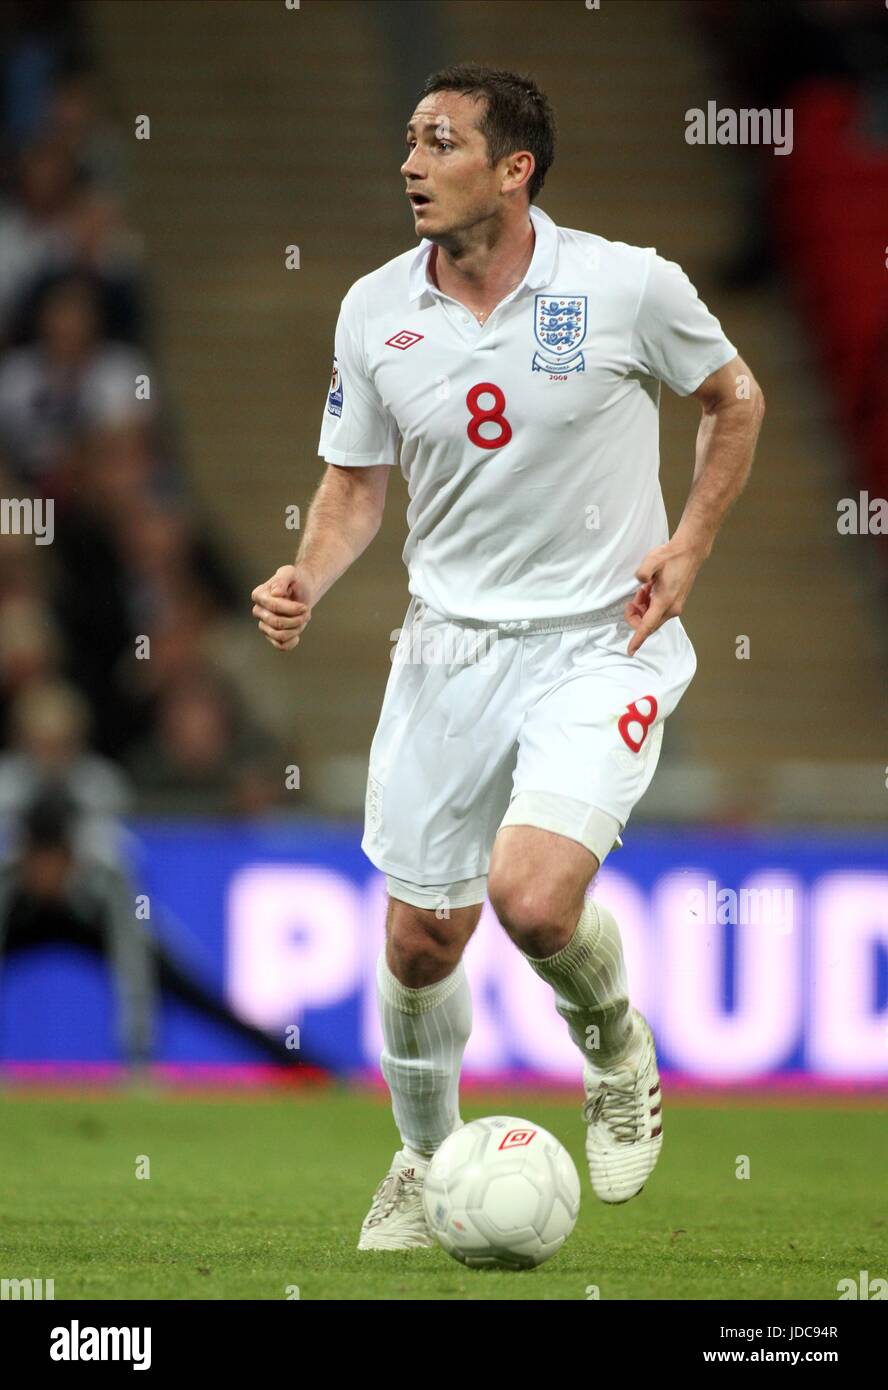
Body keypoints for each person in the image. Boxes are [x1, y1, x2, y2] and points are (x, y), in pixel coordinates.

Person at [251, 63, 764, 1249]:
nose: (410, 164)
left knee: (534, 901)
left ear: (513, 168)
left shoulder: (629, 286)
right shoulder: (374, 307)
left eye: (440, 143)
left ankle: (618, 1051)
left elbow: (732, 398)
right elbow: (354, 483)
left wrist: (686, 549)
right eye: (411, 141)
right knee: (421, 936)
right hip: (447, 651)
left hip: (601, 640)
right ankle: (425, 1163)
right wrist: (307, 578)